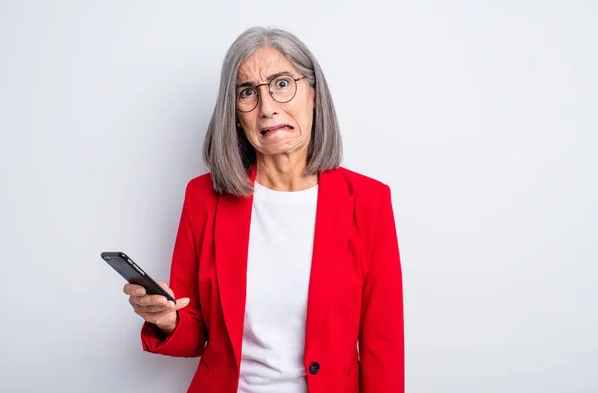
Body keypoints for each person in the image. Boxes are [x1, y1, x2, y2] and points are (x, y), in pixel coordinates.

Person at [123, 26, 404, 393]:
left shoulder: (369, 201)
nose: (268, 107)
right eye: (247, 93)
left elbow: (383, 347)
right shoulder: (203, 197)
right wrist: (166, 319)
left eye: (282, 84)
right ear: (235, 114)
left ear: (314, 93)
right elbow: (193, 335)